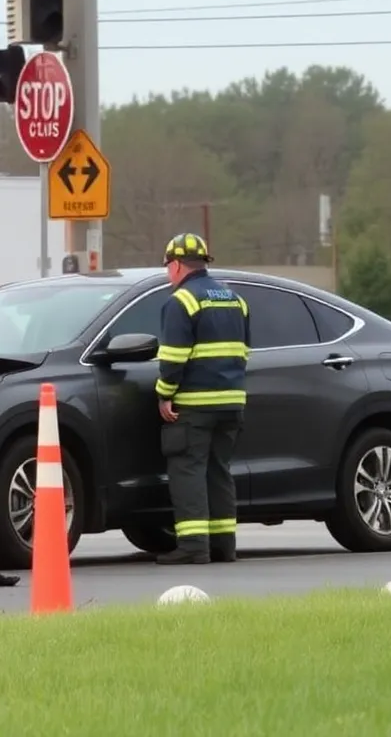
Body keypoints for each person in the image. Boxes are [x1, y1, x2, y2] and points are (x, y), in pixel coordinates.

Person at [154, 232, 250, 566]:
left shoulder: (181, 301)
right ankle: (224, 545)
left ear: (177, 265)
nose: (169, 274)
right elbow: (244, 350)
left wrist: (164, 395)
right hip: (232, 401)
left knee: (188, 471)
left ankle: (194, 546)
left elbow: (173, 357)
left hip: (195, 404)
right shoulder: (235, 299)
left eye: (168, 267)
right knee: (219, 471)